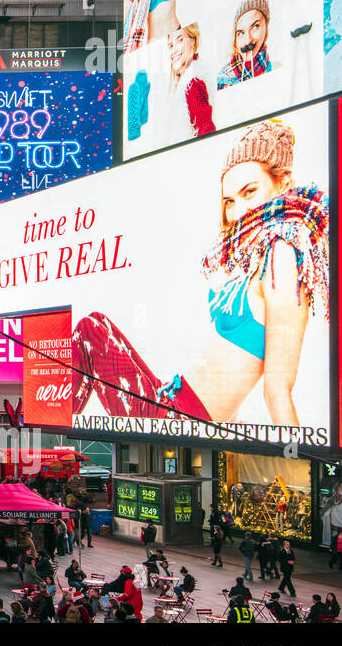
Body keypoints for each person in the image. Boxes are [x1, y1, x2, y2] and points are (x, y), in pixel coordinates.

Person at [69, 120, 328, 427]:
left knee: (91, 329)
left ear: (283, 184)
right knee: (95, 325)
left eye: (250, 192)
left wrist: (301, 466)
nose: (239, 212)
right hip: (174, 406)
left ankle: (54, 415)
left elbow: (277, 391)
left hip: (179, 419)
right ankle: (53, 416)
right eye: (230, 201)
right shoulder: (259, 258)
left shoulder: (283, 257)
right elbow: (231, 378)